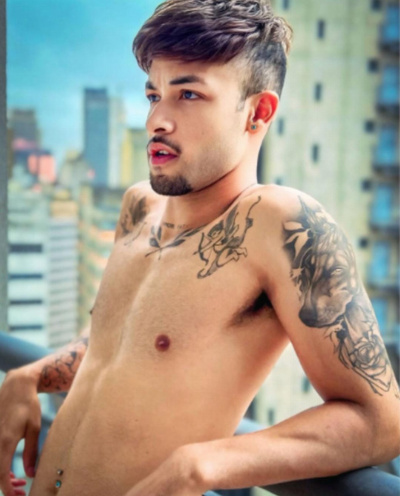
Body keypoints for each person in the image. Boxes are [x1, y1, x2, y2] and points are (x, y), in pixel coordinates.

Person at [1, 0, 399, 495]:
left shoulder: (281, 224)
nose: (157, 120)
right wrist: (32, 375)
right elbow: (118, 347)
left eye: (188, 94)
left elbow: (379, 421)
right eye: (154, 94)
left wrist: (202, 465)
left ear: (258, 112)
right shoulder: (138, 206)